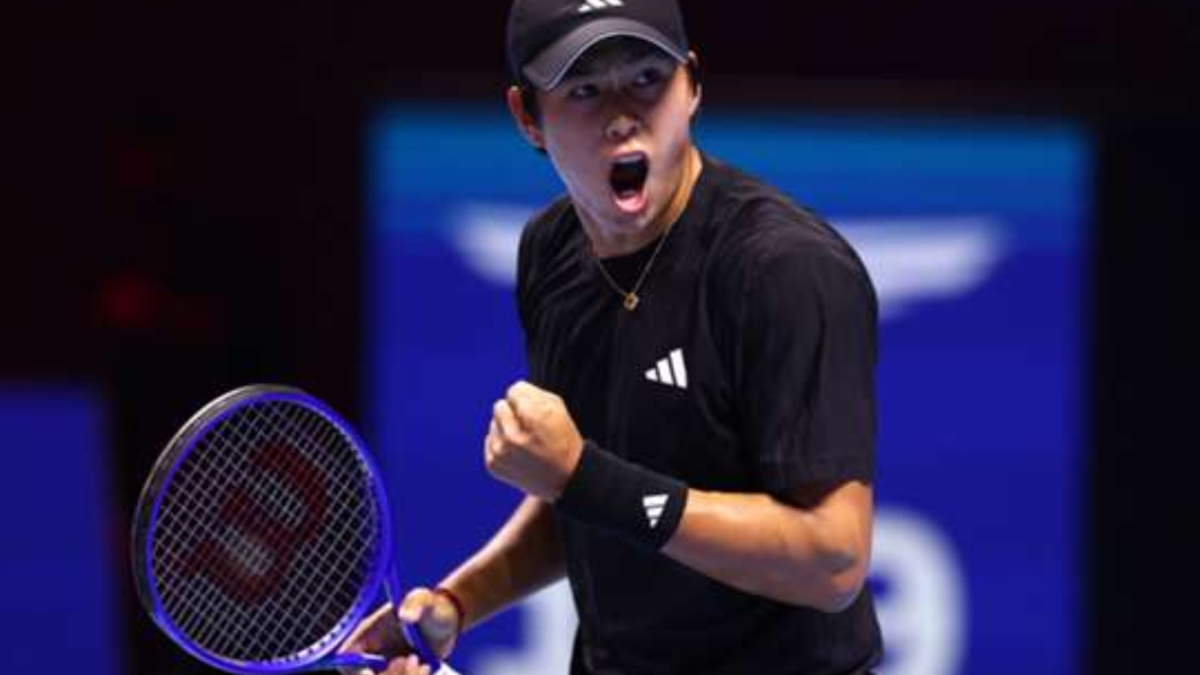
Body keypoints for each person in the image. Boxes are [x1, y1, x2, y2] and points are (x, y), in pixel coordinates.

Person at [342, 0, 883, 672]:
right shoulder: (551, 252)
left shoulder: (781, 271)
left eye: (648, 78)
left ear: (693, 85)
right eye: (585, 89)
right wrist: (457, 602)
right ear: (526, 117)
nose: (623, 114)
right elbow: (584, 500)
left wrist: (584, 476)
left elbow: (833, 561)